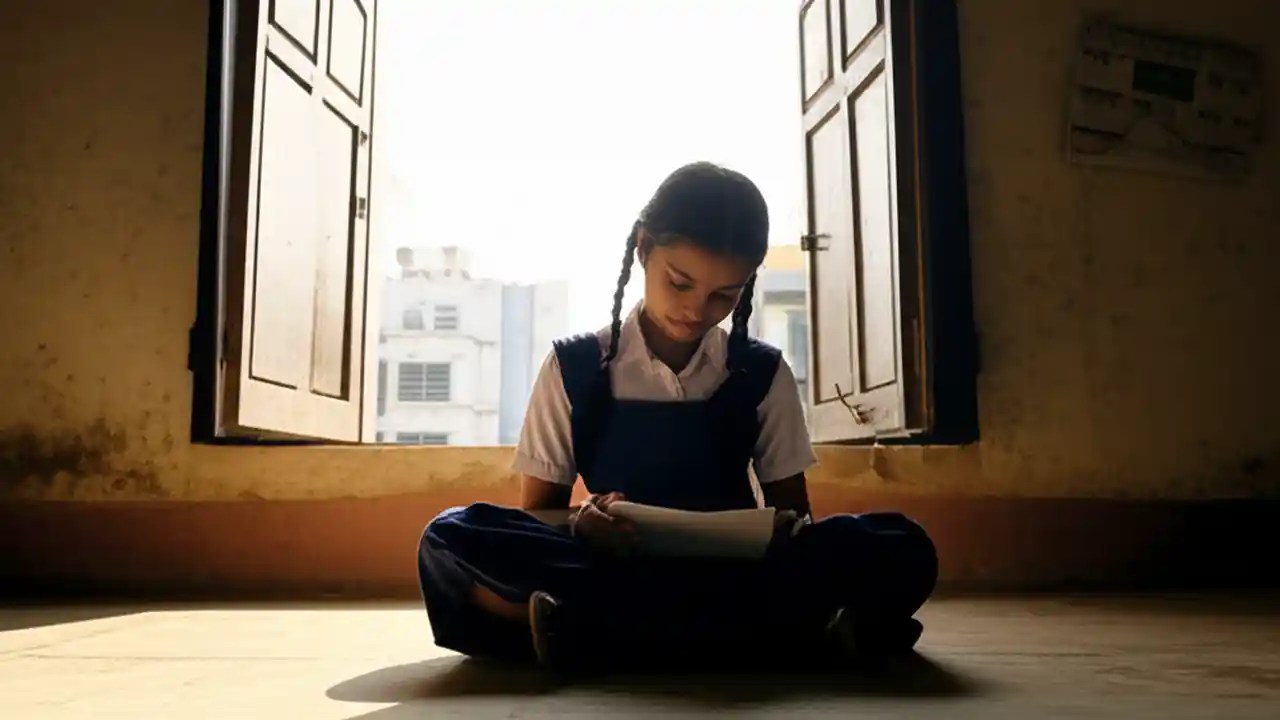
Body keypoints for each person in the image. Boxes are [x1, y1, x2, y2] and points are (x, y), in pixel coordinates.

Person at [418, 162, 937, 670]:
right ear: (643, 248)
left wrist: (780, 532)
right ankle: (778, 634)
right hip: (612, 571)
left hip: (733, 575)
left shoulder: (761, 371)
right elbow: (539, 519)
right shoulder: (573, 368)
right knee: (451, 536)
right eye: (680, 282)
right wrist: (583, 523)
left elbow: (795, 519)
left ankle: (591, 632)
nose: (696, 309)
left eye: (724, 294)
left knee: (901, 542)